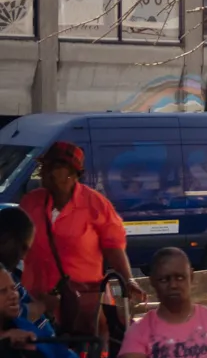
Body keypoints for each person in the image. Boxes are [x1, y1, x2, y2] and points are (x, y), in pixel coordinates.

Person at [20, 141, 134, 340]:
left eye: (53, 167)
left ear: (72, 174)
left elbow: (113, 247)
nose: (44, 172)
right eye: (44, 166)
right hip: (38, 303)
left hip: (82, 306)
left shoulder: (95, 204)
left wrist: (129, 280)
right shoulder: (30, 202)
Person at [1, 262, 84, 358]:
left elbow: (63, 355)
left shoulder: (26, 325)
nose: (13, 295)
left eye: (13, 288)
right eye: (3, 291)